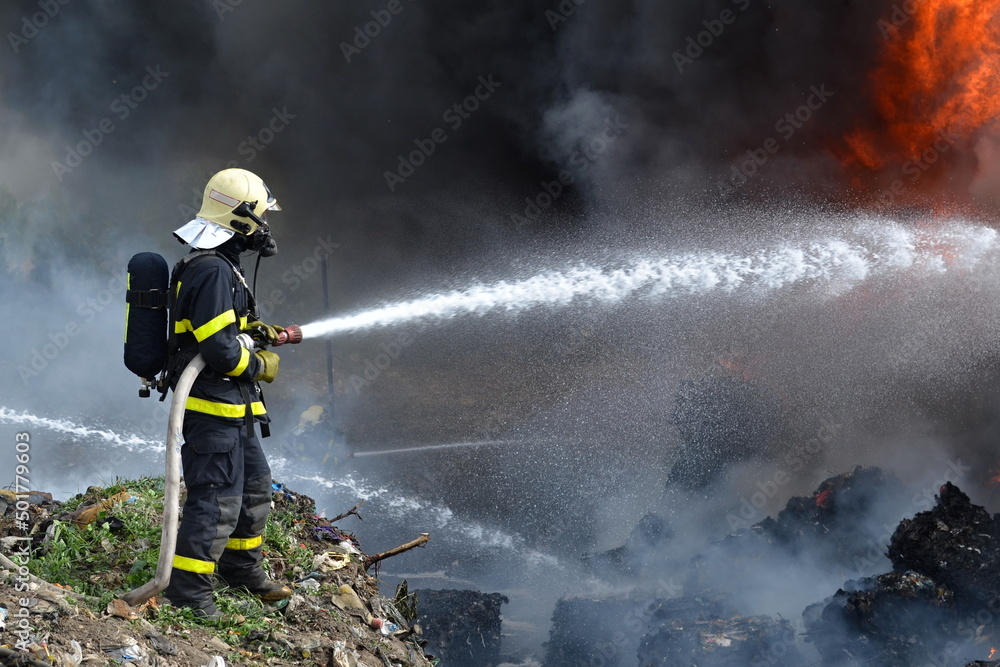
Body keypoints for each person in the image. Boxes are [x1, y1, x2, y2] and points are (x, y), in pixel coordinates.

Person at [162, 168, 292, 619]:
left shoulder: (220, 266)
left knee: (254, 488)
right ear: (240, 219)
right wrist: (258, 364)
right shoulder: (214, 269)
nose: (265, 229)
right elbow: (218, 350)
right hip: (211, 407)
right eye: (261, 217)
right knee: (215, 498)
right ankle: (190, 593)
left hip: (234, 406)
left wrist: (255, 332)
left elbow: (222, 329)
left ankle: (241, 570)